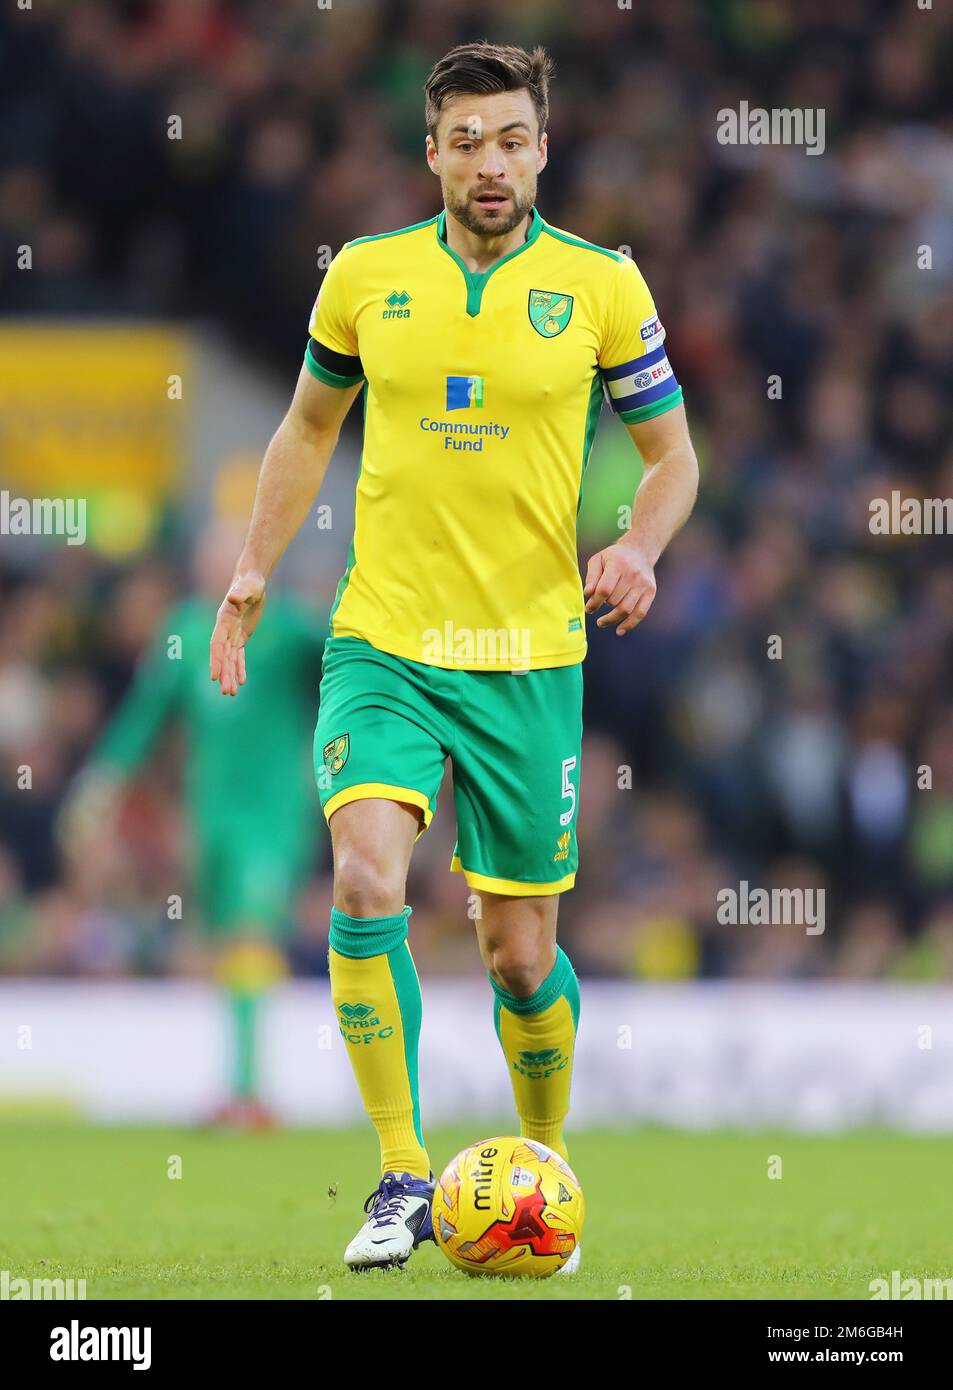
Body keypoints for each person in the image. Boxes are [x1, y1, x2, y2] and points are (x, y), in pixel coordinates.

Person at [209, 41, 698, 1267]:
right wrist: (253, 568)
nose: (491, 162)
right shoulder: (366, 278)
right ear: (429, 151)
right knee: (367, 878)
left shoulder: (599, 287)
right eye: (466, 140)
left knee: (518, 956)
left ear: (545, 147)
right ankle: (399, 1175)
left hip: (530, 661)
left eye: (513, 138)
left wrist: (637, 546)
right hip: (384, 642)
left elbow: (672, 458)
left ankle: (543, 1161)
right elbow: (305, 425)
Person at [63, 521, 326, 1126]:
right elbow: (145, 717)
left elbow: (343, 653)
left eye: (236, 557)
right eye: (213, 555)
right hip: (209, 819)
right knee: (221, 945)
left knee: (252, 934)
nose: (223, 569)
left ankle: (248, 1093)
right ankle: (238, 1085)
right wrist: (102, 782)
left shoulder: (287, 629)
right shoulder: (182, 632)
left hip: (273, 817)